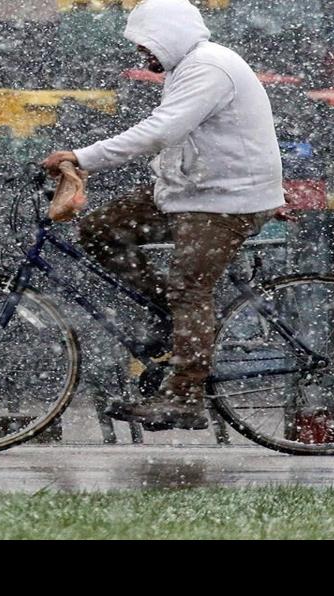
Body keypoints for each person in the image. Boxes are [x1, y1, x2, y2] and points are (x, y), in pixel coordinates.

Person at [43, 0, 285, 429]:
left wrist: (84, 157)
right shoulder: (185, 68)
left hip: (224, 200)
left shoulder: (210, 67)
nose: (144, 55)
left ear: (168, 34)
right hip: (189, 189)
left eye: (146, 44)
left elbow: (162, 130)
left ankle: (185, 396)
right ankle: (174, 322)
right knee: (100, 231)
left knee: (189, 288)